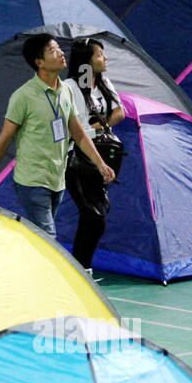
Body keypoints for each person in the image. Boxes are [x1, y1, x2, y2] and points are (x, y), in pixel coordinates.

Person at [0, 33, 115, 243]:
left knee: (39, 238)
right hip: (32, 180)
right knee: (49, 238)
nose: (60, 53)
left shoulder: (66, 90)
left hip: (57, 179)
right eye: (53, 51)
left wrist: (100, 164)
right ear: (39, 63)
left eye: (59, 48)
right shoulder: (23, 96)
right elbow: (4, 140)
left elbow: (78, 133)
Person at [65, 38, 125, 278]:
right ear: (86, 61)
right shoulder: (69, 86)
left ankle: (81, 269)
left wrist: (99, 128)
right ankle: (82, 271)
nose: (105, 58)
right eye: (99, 55)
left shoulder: (104, 83)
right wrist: (88, 132)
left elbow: (120, 112)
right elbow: (74, 125)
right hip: (75, 160)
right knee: (93, 216)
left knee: (95, 217)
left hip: (100, 157)